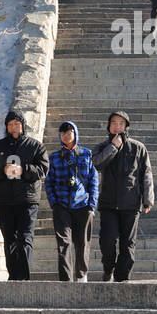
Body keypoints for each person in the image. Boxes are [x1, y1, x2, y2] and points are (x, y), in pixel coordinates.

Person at [0, 111, 48, 282]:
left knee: (25, 237)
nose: (14, 127)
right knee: (9, 240)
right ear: (6, 126)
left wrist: (24, 169)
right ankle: (13, 277)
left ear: (23, 125)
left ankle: (24, 278)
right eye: (10, 124)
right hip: (4, 200)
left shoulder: (35, 146)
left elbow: (43, 169)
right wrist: (2, 170)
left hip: (27, 200)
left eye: (17, 123)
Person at [92, 110, 154, 282]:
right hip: (108, 203)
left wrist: (147, 199)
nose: (117, 126)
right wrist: (113, 147)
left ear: (126, 126)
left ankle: (121, 279)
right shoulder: (102, 147)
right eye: (114, 122)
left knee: (128, 246)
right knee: (107, 241)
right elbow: (96, 164)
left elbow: (146, 174)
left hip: (131, 203)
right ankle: (108, 268)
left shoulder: (138, 148)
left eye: (121, 123)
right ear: (109, 126)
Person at [45, 120, 99, 282]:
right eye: (63, 133)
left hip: (83, 205)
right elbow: (49, 182)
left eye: (69, 132)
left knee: (82, 243)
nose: (66, 136)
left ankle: (81, 275)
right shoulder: (53, 157)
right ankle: (66, 279)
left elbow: (93, 181)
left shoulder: (87, 154)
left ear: (75, 134)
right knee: (63, 243)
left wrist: (92, 204)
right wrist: (54, 203)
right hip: (61, 205)